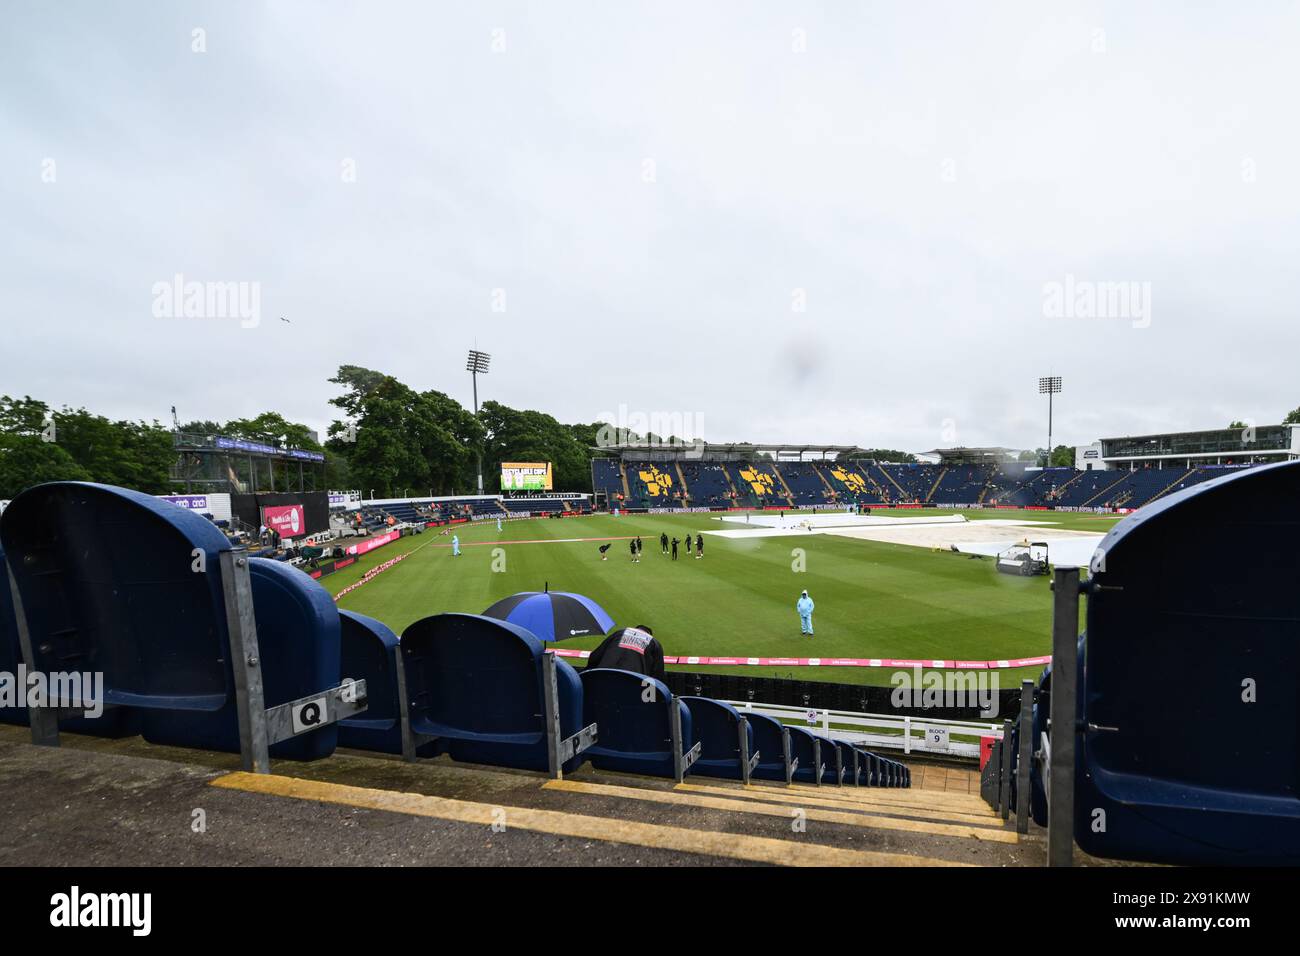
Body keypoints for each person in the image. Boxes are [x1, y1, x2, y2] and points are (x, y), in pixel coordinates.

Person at [586, 625, 666, 682]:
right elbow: (657, 677)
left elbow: (594, 658)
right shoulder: (655, 643)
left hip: (603, 678)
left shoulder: (619, 633)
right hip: (632, 685)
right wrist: (650, 701)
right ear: (648, 634)